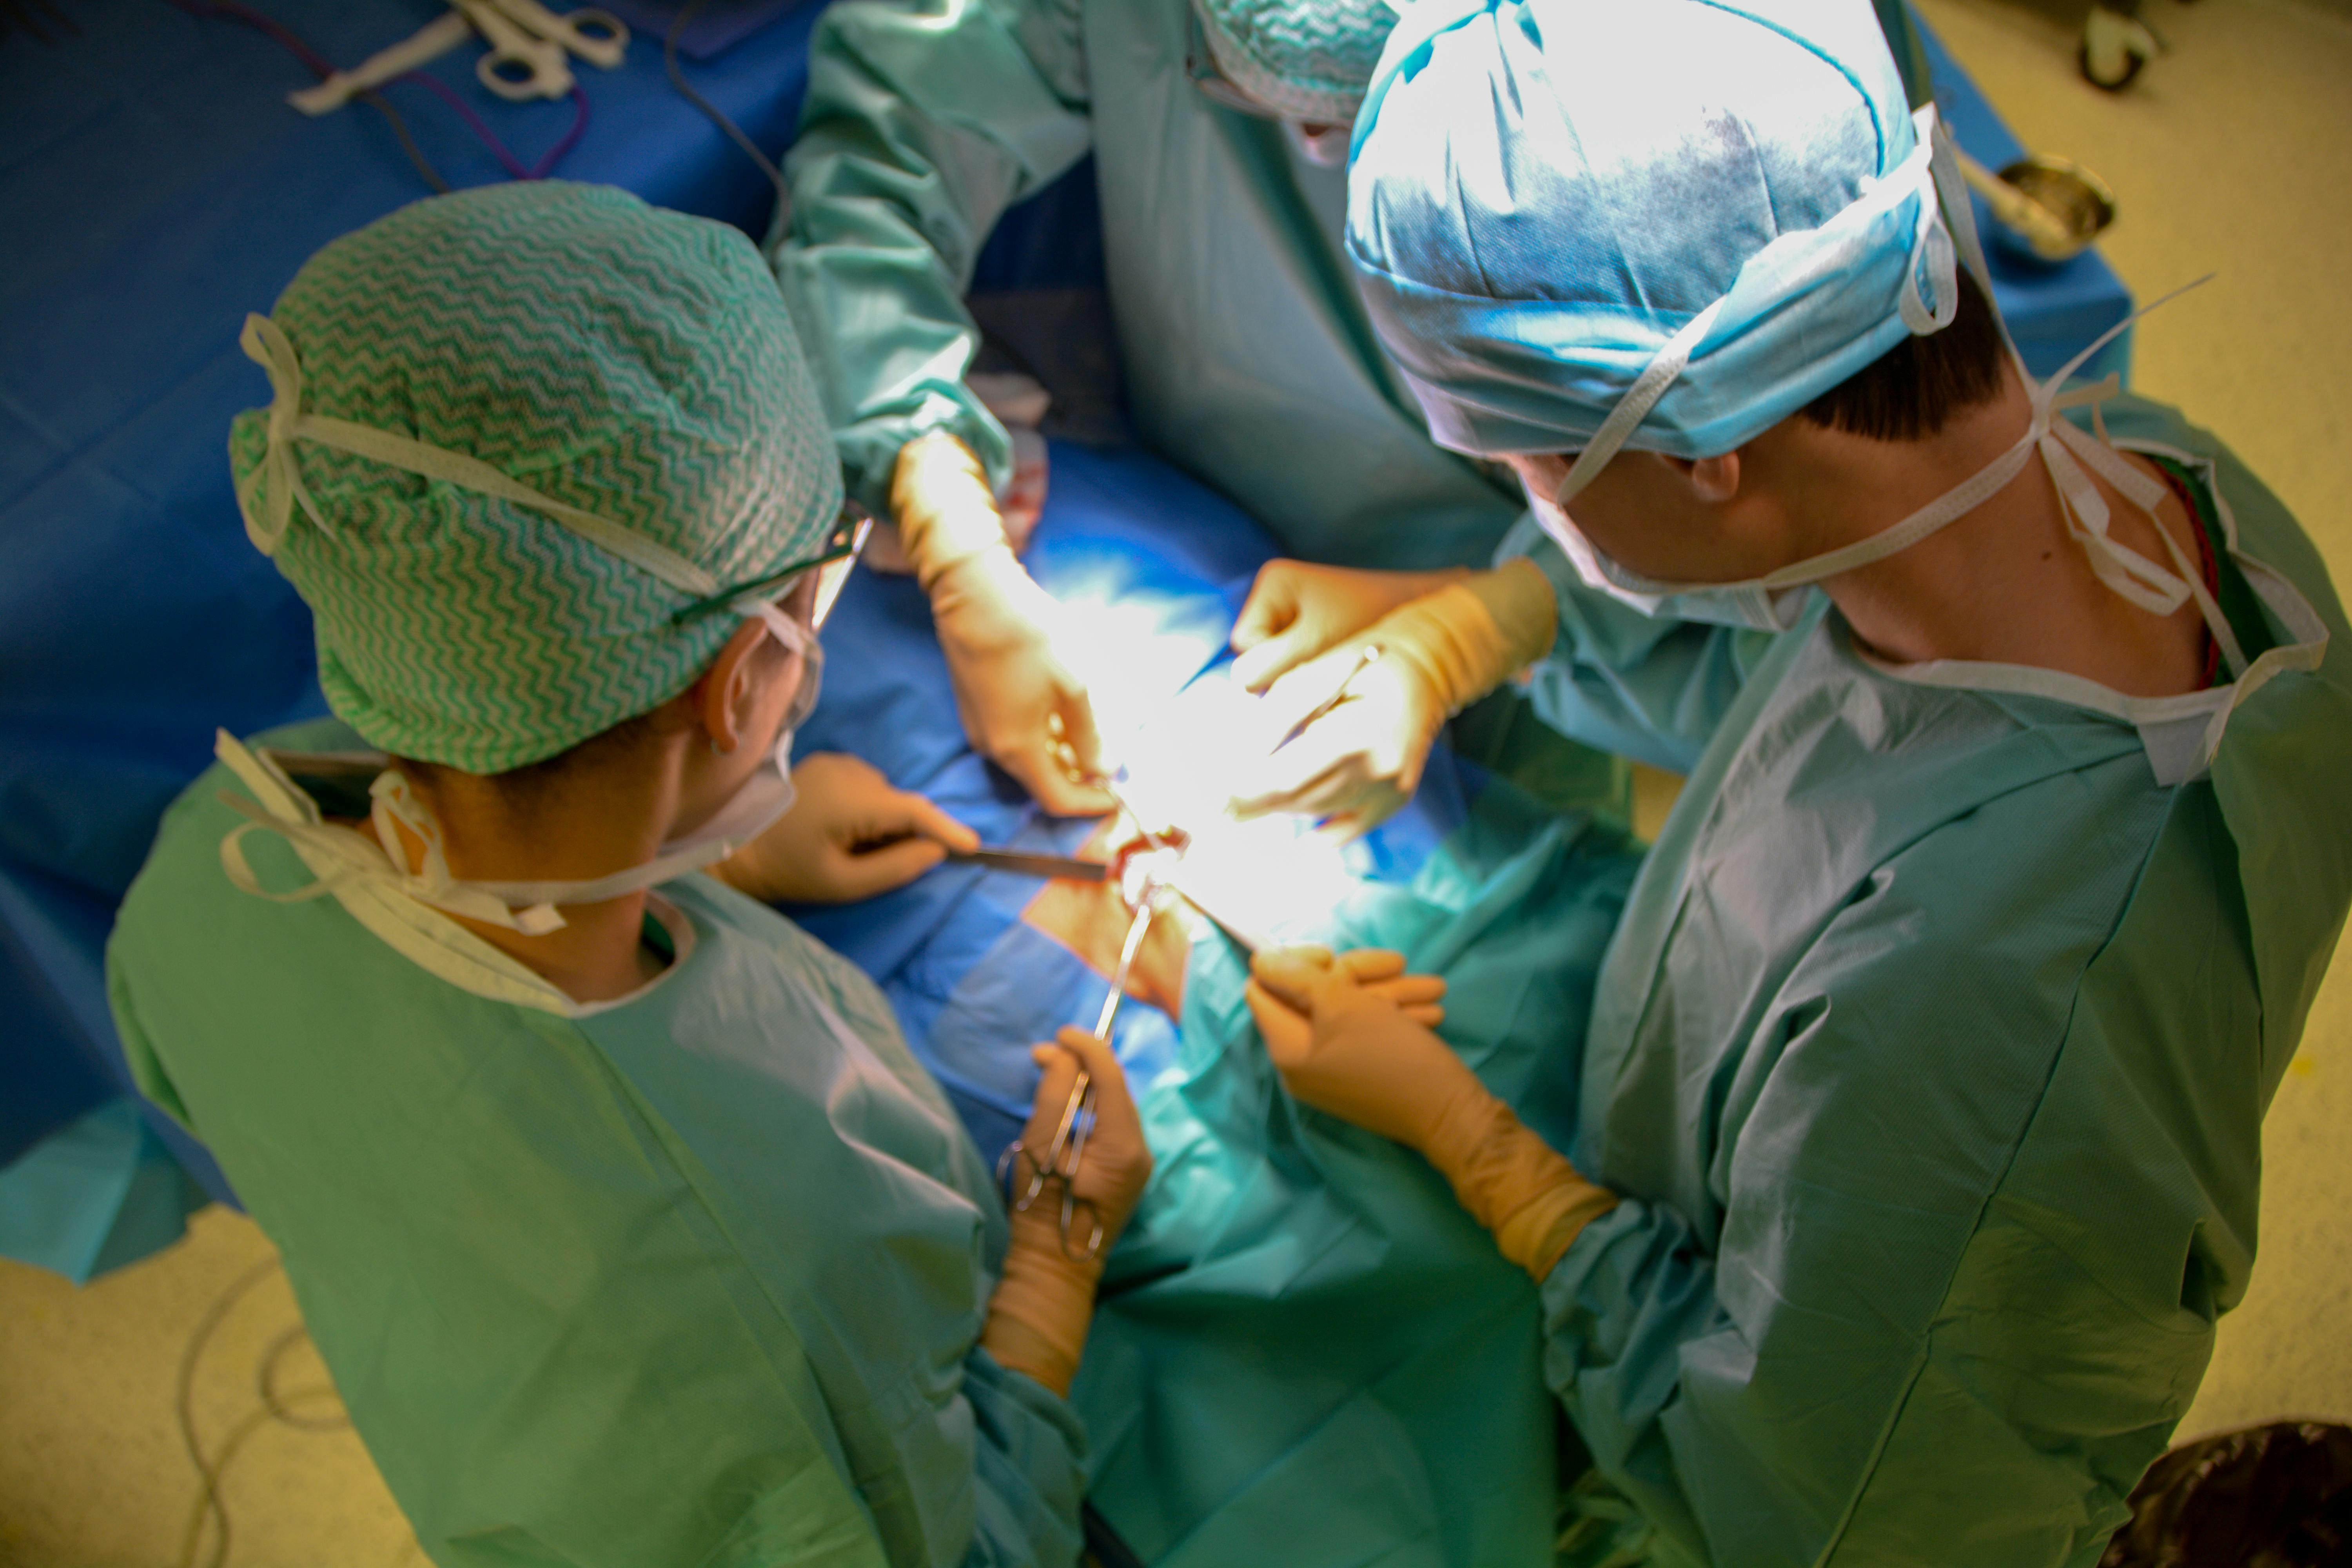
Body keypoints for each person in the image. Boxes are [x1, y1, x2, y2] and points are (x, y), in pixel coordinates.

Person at [1227, 0, 2352, 1561]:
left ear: (1712, 457)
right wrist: (1482, 626)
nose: (1524, 500)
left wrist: (1483, 1153)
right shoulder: (2140, 469)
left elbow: (1805, 1505)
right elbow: (1810, 662)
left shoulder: (1983, 1022)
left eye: (1524, 463)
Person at [105, 182, 1167, 1568]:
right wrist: (1050, 1275)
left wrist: (718, 861)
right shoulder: (755, 1306)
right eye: (813, 588)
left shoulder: (219, 849)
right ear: (739, 683)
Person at [773, 0, 1935, 814]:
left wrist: (1503, 619)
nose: (1330, 151)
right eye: (1272, 93)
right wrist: (947, 521)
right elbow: (880, 164)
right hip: (1234, 517)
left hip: (1641, 646)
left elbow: (1825, 505)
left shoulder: (1744, 80)